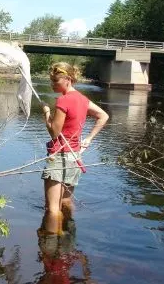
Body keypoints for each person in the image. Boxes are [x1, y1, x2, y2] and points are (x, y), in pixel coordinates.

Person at [41, 62, 109, 234]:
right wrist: (88, 139)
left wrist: (46, 113)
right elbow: (103, 116)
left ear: (68, 80)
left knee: (52, 209)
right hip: (74, 157)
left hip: (58, 156)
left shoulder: (63, 100)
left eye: (56, 81)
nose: (52, 84)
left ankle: (50, 246)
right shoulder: (83, 99)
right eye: (51, 81)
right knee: (65, 202)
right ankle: (67, 239)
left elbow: (55, 133)